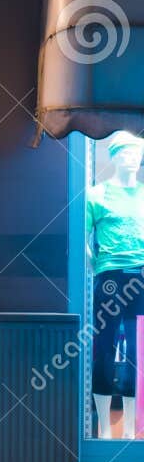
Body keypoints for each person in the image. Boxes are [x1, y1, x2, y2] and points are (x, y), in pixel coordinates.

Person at [88, 132, 144, 438]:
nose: (132, 159)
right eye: (125, 153)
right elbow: (82, 237)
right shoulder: (97, 195)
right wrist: (95, 265)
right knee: (105, 348)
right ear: (114, 157)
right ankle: (106, 428)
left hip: (141, 276)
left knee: (138, 351)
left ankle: (135, 427)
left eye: (137, 153)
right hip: (109, 276)